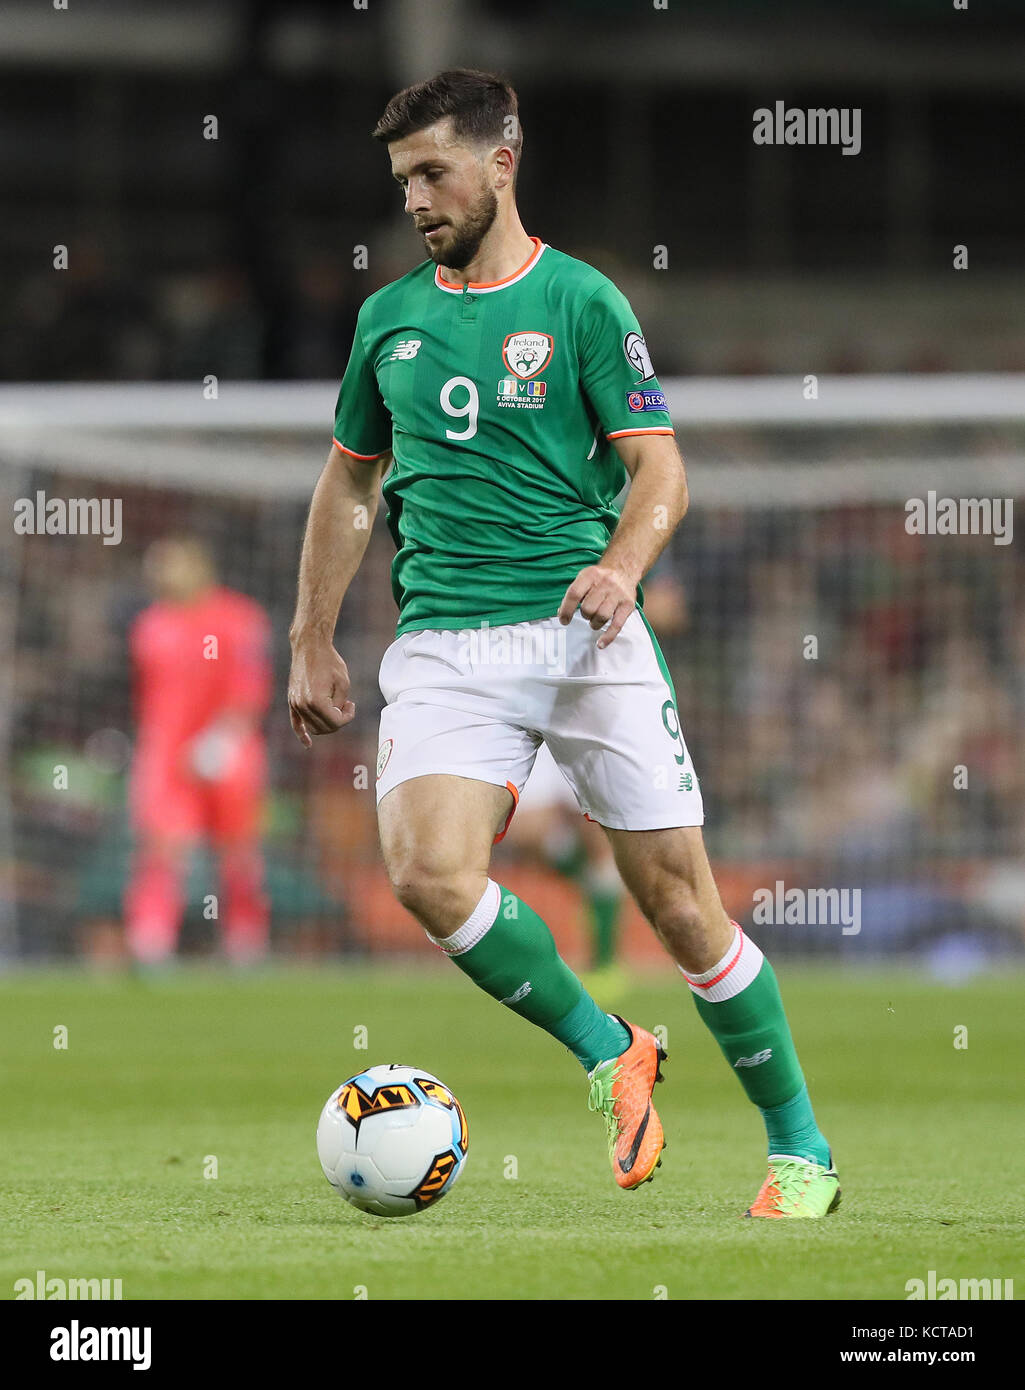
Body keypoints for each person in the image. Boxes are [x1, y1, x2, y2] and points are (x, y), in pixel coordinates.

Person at [288, 69, 838, 1216]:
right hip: (443, 638)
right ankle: (609, 1052)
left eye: (433, 171)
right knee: (429, 875)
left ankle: (799, 1149)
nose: (416, 198)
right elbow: (349, 485)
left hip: (584, 633)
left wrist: (621, 569)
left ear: (502, 162)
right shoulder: (386, 319)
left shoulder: (582, 303)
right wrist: (311, 634)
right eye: (401, 180)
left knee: (680, 906)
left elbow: (659, 471)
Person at [125, 538, 271, 966]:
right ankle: (150, 942)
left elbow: (250, 684)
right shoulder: (151, 626)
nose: (162, 575)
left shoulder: (240, 618)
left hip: (229, 746)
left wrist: (222, 739)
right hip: (167, 754)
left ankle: (245, 941)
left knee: (238, 850)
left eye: (170, 564)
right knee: (163, 848)